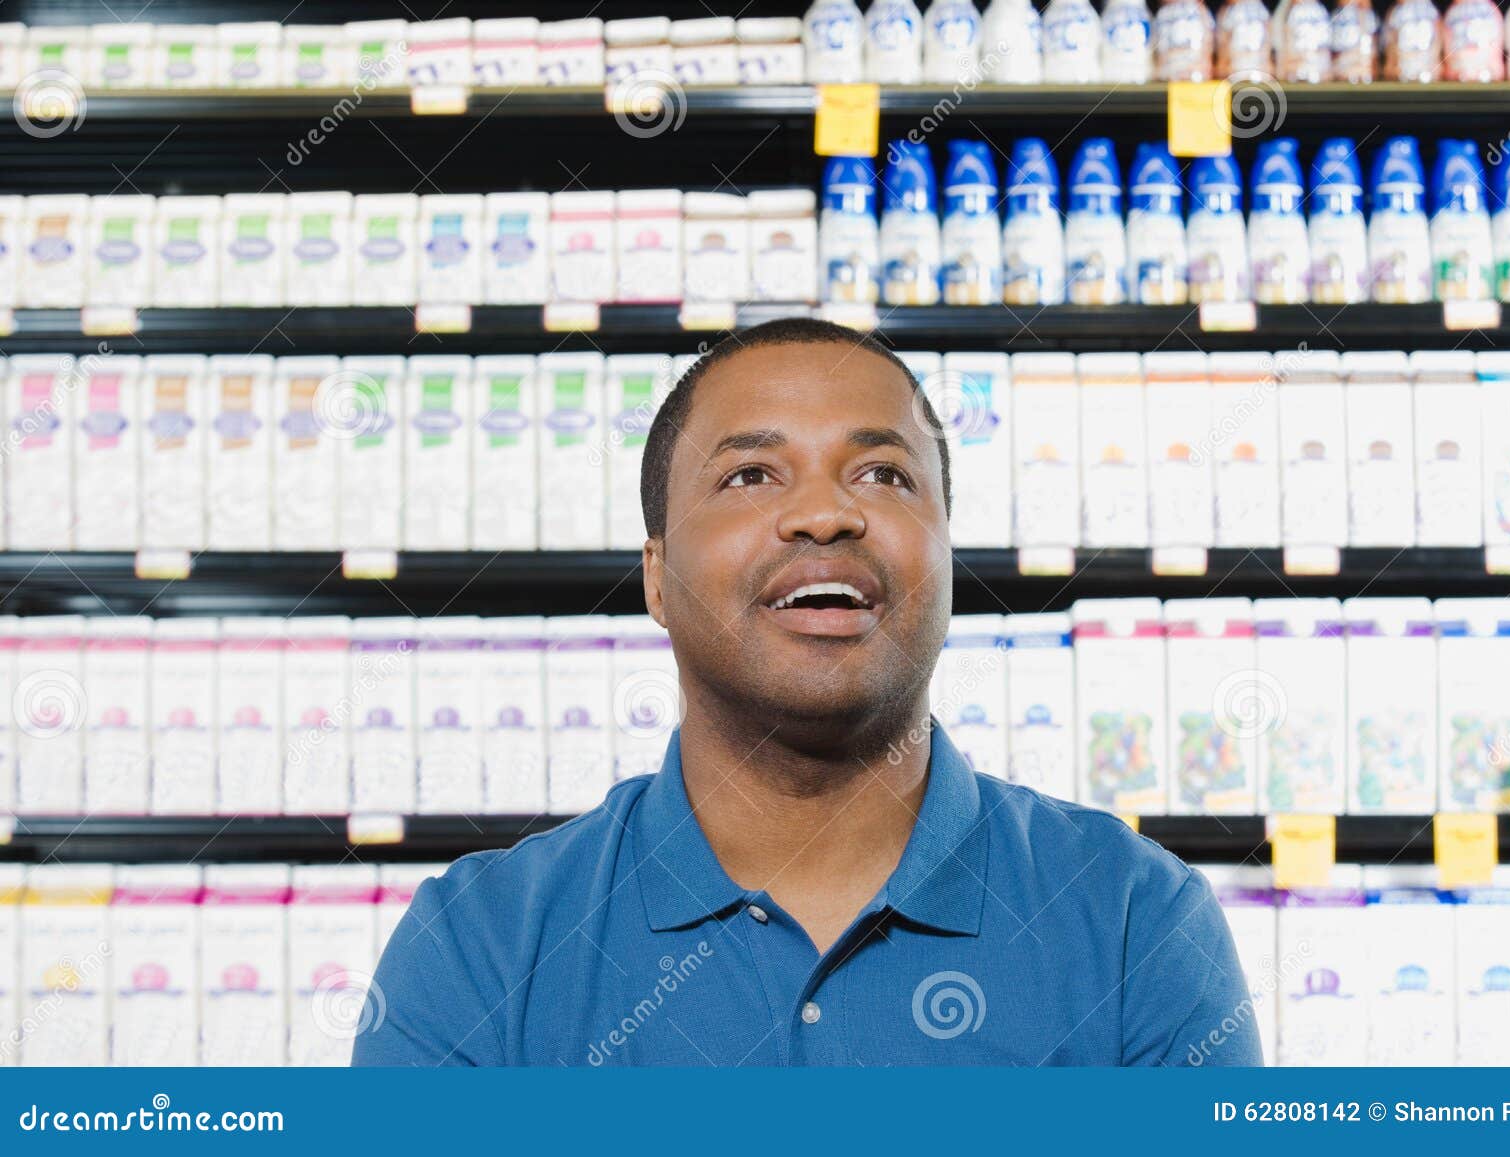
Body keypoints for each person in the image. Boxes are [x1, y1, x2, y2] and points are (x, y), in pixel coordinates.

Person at [353, 317, 1260, 1066]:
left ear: (948, 559)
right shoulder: (479, 946)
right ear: (657, 576)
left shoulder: (1136, 923)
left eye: (885, 474)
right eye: (751, 474)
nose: (826, 513)